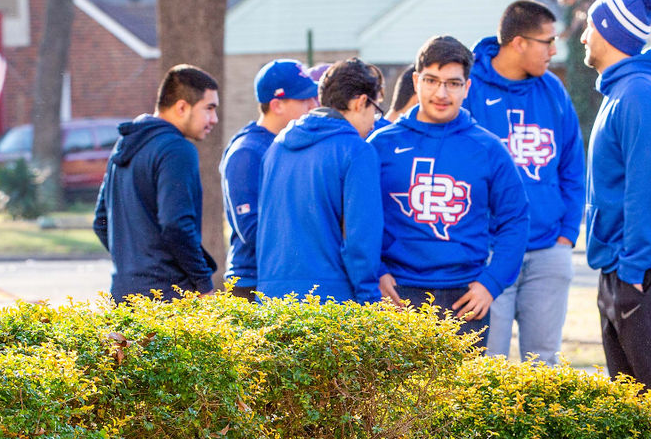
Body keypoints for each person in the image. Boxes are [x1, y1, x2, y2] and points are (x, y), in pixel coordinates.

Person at [369, 35, 529, 339]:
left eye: (453, 83)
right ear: (416, 82)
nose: (441, 93)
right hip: (397, 294)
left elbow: (516, 219)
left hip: (465, 297)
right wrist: (376, 272)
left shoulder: (489, 149)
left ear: (467, 88)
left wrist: (491, 283)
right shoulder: (381, 145)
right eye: (431, 80)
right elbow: (355, 219)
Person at [465, 0, 585, 363]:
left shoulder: (552, 90)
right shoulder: (469, 88)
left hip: (548, 249)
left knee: (543, 366)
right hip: (490, 252)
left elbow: (572, 165)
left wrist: (567, 234)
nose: (554, 51)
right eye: (547, 42)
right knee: (488, 365)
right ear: (518, 43)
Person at [582, 0, 651, 396]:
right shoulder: (622, 91)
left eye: (589, 26)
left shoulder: (639, 94)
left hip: (637, 275)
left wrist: (634, 271)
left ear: (608, 33)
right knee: (631, 409)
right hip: (619, 269)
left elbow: (648, 187)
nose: (583, 37)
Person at [254, 59, 386, 304]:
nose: (374, 121)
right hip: (330, 301)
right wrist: (369, 299)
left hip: (271, 297)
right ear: (360, 102)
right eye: (375, 110)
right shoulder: (357, 151)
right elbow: (360, 240)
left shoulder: (276, 148)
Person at [94, 64, 219, 303]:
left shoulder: (124, 144)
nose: (214, 119)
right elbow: (176, 224)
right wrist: (203, 283)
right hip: (168, 299)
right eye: (209, 108)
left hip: (123, 295)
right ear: (182, 107)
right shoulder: (177, 149)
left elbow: (101, 221)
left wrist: (135, 264)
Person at [220, 59, 318, 300]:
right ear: (277, 105)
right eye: (304, 99)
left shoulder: (292, 144)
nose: (313, 105)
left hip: (288, 276)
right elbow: (251, 230)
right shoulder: (247, 152)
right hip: (251, 282)